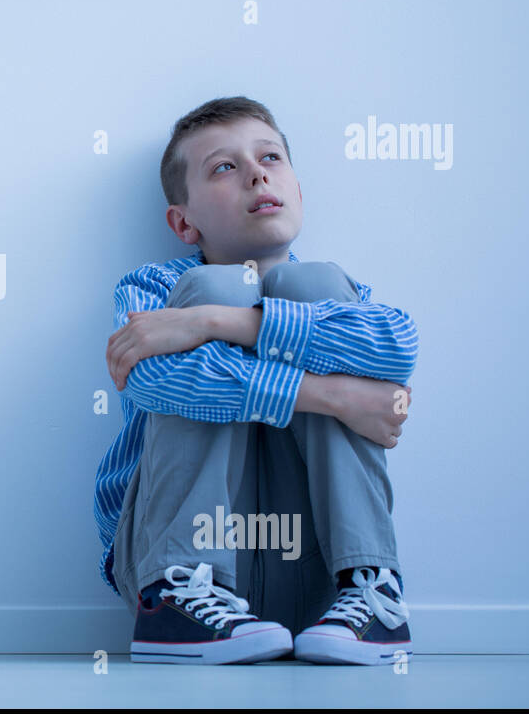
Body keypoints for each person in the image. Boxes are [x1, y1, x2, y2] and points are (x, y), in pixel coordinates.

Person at [93, 96, 417, 665]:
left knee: (312, 285)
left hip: (314, 576)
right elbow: (157, 379)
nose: (257, 173)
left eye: (271, 157)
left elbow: (396, 348)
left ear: (297, 190)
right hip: (178, 564)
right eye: (225, 166)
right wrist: (333, 396)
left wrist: (217, 323)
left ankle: (370, 588)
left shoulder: (341, 295)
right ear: (183, 221)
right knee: (212, 286)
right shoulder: (155, 289)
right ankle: (177, 600)